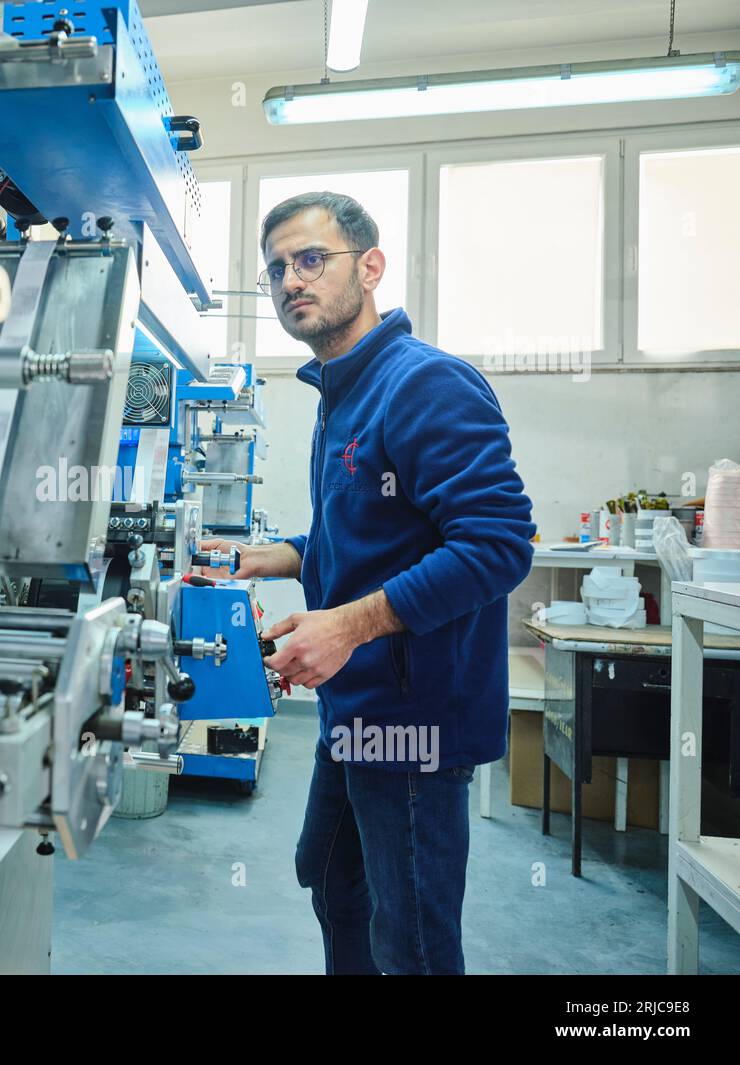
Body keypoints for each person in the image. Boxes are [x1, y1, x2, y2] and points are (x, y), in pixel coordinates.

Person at [201, 190, 535, 974]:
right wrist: (272, 554)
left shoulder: (425, 384)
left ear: (372, 266)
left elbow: (497, 544)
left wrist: (345, 626)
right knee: (330, 881)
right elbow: (370, 534)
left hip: (416, 719)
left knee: (409, 936)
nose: (291, 280)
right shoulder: (341, 391)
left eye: (312, 259)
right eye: (277, 268)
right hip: (353, 708)